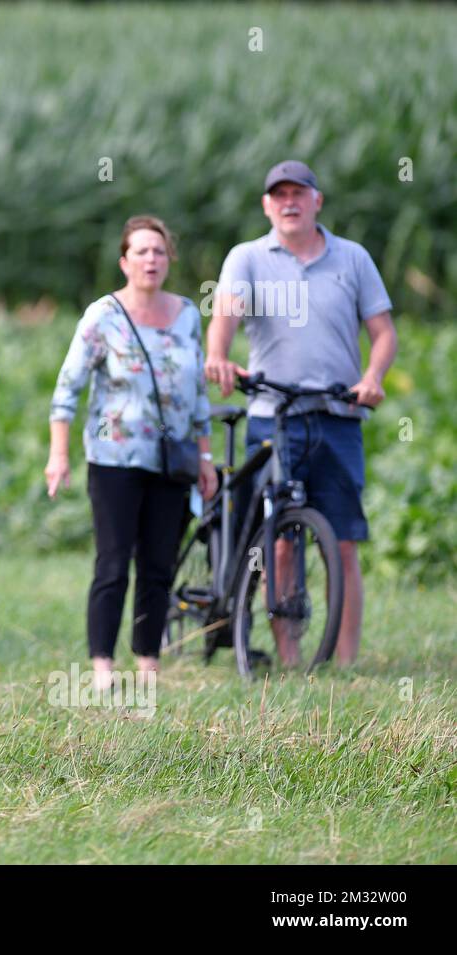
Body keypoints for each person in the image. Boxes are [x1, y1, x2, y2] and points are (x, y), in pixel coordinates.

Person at [207, 160, 396, 667]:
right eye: (279, 194)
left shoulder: (352, 259)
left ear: (318, 201)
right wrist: (219, 355)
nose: (289, 201)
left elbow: (383, 332)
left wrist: (373, 377)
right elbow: (224, 317)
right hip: (274, 414)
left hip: (337, 414)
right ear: (267, 205)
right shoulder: (247, 257)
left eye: (299, 192)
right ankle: (290, 657)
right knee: (282, 541)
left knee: (345, 540)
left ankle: (347, 661)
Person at [47, 216, 218, 688]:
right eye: (141, 251)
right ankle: (102, 662)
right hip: (115, 459)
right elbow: (68, 389)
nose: (151, 259)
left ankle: (148, 660)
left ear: (170, 260)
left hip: (173, 460)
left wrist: (205, 458)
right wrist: (58, 455)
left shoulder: (187, 314)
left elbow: (199, 394)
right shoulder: (103, 316)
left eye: (159, 252)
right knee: (114, 560)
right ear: (125, 261)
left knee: (160, 563)